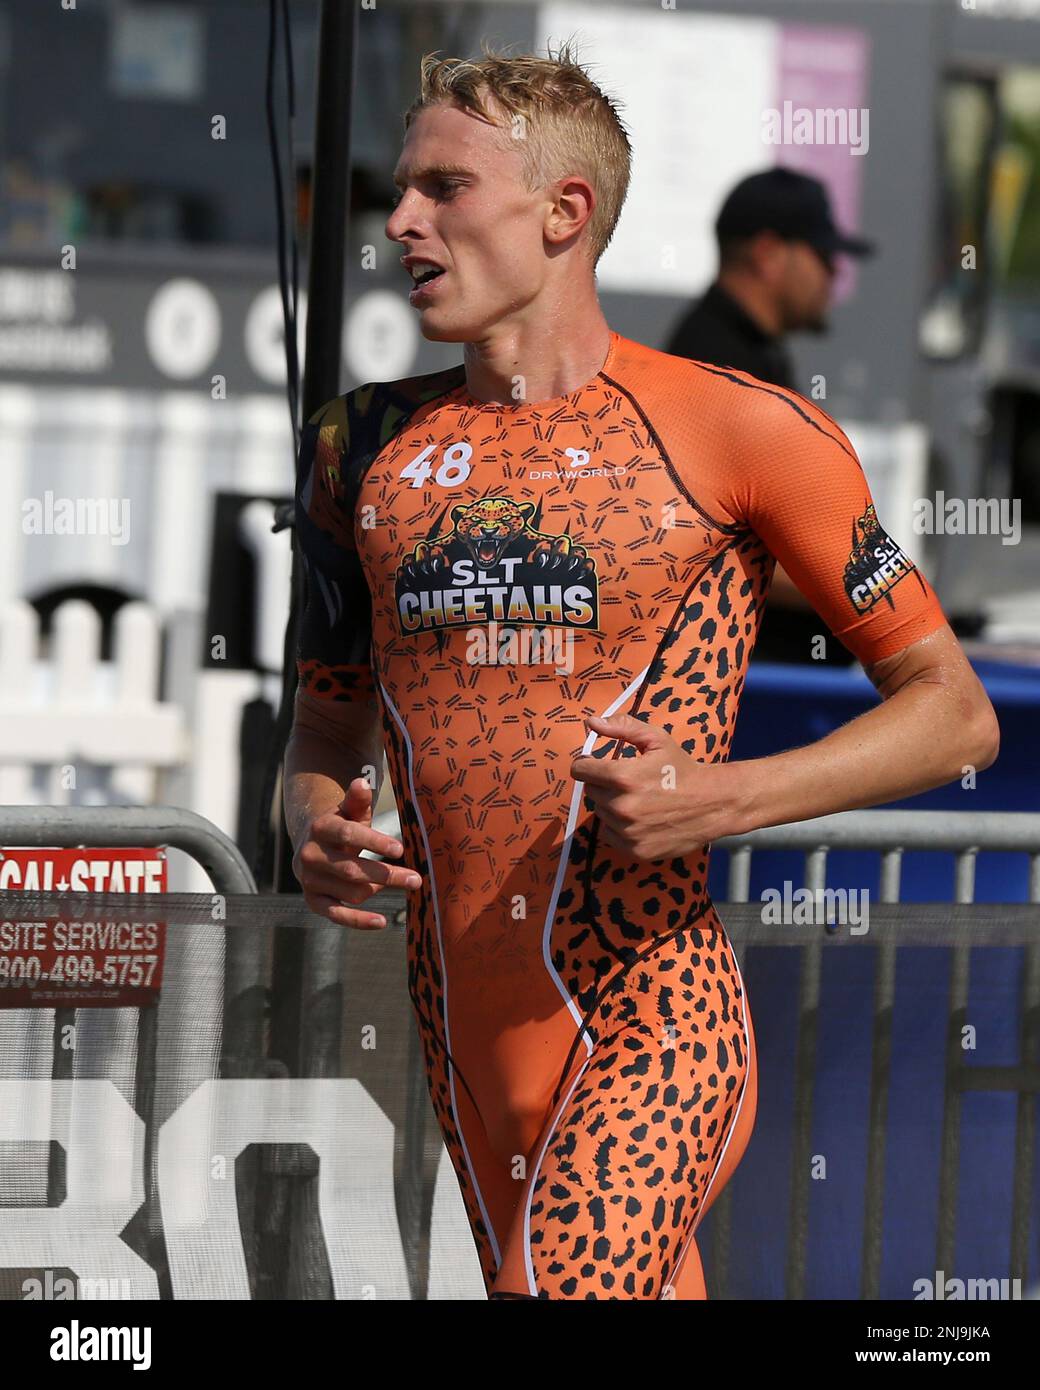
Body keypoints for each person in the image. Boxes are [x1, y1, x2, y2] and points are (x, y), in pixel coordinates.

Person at [284, 44, 999, 1301]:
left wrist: (719, 797)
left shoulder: (743, 427)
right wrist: (310, 823)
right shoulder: (359, 443)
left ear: (564, 213)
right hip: (459, 1030)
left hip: (651, 1016)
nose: (398, 220)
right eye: (401, 190)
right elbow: (323, 735)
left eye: (443, 188)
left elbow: (953, 714)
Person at [666, 168, 876, 663]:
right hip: (745, 688)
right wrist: (882, 588)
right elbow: (713, 542)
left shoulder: (751, 353)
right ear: (767, 253)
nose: (835, 275)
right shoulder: (717, 363)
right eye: (824, 256)